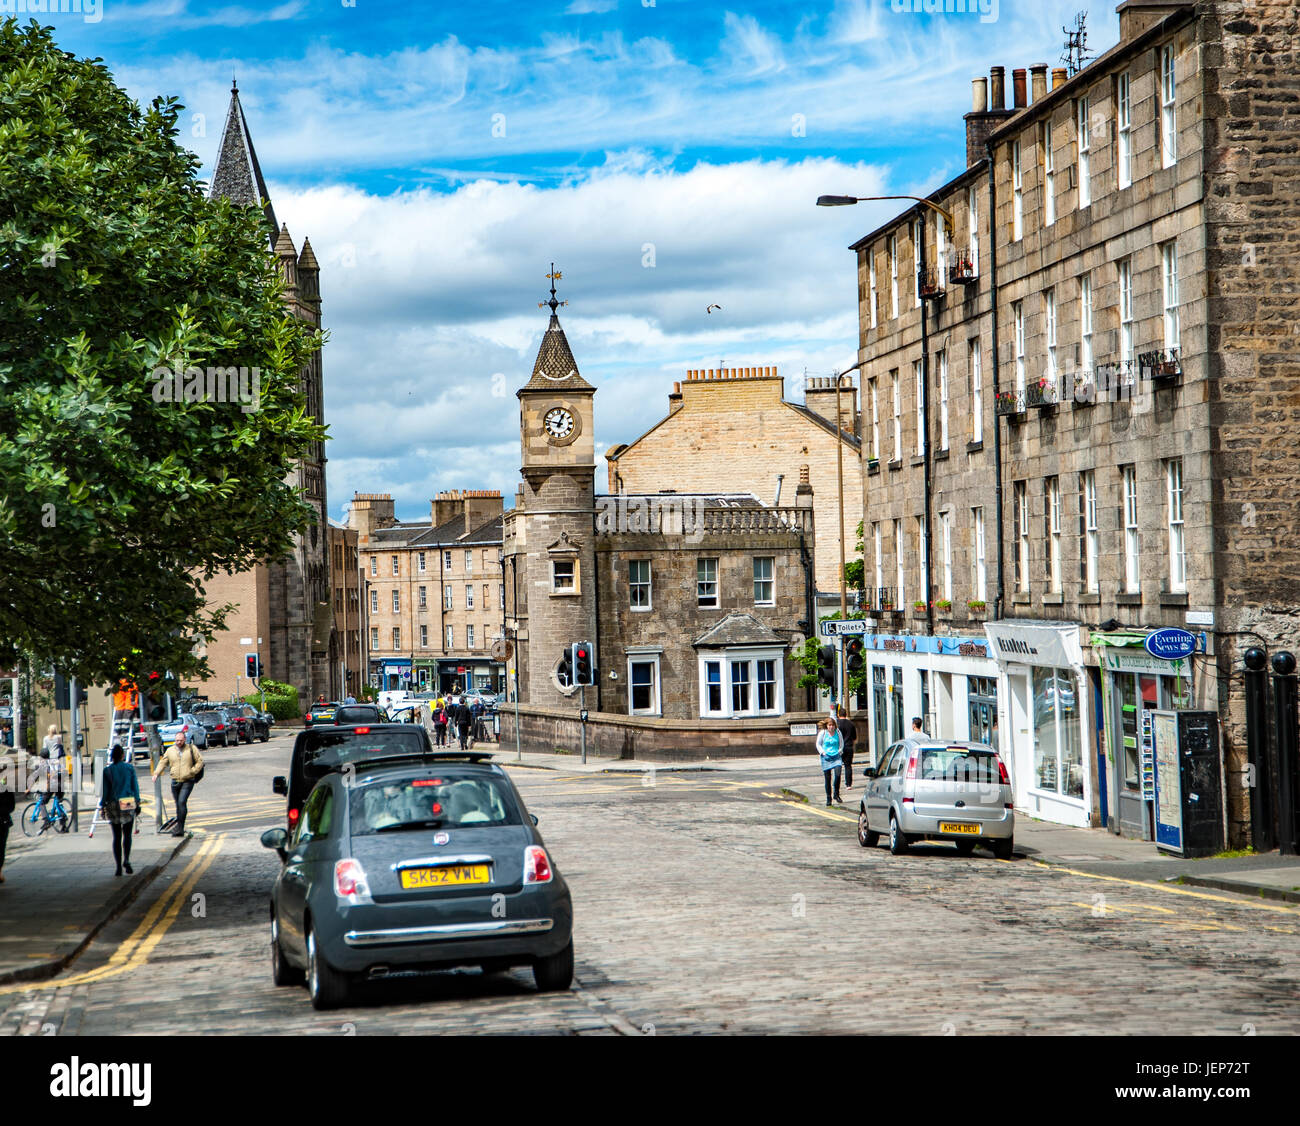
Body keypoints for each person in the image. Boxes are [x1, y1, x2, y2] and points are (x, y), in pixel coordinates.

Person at [99, 744, 141, 877]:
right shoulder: (129, 768)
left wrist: (102, 805)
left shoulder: (107, 771)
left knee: (116, 836)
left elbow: (105, 791)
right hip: (128, 800)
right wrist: (137, 802)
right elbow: (135, 786)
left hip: (112, 802)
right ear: (122, 755)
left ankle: (118, 867)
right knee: (127, 834)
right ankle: (127, 860)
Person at [151, 731, 203, 836]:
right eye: (177, 740)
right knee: (178, 805)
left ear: (185, 740)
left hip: (188, 780)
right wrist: (156, 773)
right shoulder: (170, 750)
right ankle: (179, 827)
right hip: (175, 781)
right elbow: (163, 762)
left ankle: (180, 828)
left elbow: (200, 762)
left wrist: (192, 771)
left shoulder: (191, 749)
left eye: (180, 740)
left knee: (181, 802)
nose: (178, 742)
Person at [816, 718, 843, 806]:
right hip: (826, 757)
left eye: (832, 725)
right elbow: (818, 744)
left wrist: (840, 751)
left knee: (838, 774)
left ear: (835, 725)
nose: (831, 727)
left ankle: (836, 794)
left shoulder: (838, 732)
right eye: (829, 725)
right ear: (826, 726)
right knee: (828, 779)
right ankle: (828, 798)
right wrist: (822, 752)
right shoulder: (823, 733)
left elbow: (841, 743)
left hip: (836, 756)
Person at [836, 706, 858, 789]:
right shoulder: (851, 724)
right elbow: (854, 737)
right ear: (846, 714)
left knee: (837, 765)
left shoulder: (836, 724)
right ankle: (848, 784)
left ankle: (837, 783)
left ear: (838, 714)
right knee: (848, 766)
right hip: (849, 746)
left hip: (839, 747)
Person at [0, 755, 14, 884]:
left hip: (2, 821)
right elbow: (11, 806)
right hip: (3, 821)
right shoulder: (7, 787)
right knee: (1, 847)